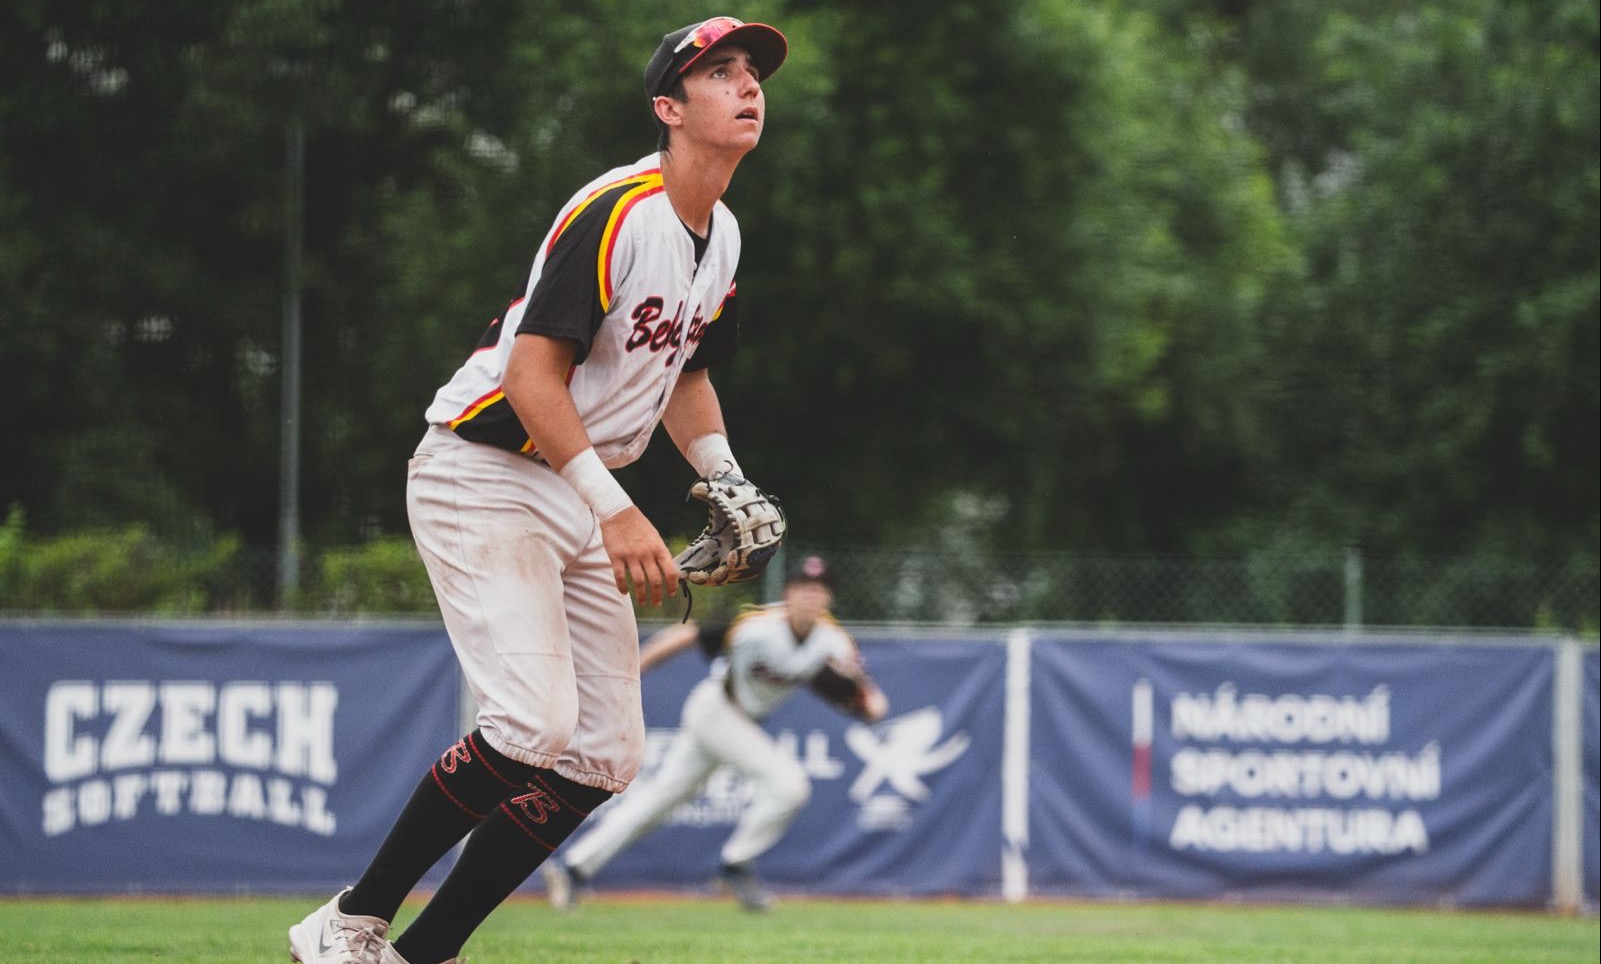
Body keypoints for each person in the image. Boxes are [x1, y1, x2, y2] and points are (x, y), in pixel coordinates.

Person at [288, 17, 790, 964]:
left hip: (570, 479)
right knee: (530, 724)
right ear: (668, 109)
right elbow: (530, 377)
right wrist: (618, 509)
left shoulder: (718, 234)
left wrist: (725, 476)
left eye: (751, 72)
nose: (746, 85)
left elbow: (684, 376)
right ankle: (346, 923)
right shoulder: (621, 209)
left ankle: (416, 955)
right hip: (485, 469)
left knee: (603, 754)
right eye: (718, 72)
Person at [540, 555, 889, 912]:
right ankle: (735, 865)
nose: (810, 597)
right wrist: (635, 669)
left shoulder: (834, 642)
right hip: (716, 710)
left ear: (829, 598)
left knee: (659, 801)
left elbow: (868, 696)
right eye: (804, 588)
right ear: (789, 592)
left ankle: (573, 868)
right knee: (789, 785)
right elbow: (687, 634)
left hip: (740, 721)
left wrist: (872, 705)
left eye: (819, 590)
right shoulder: (757, 625)